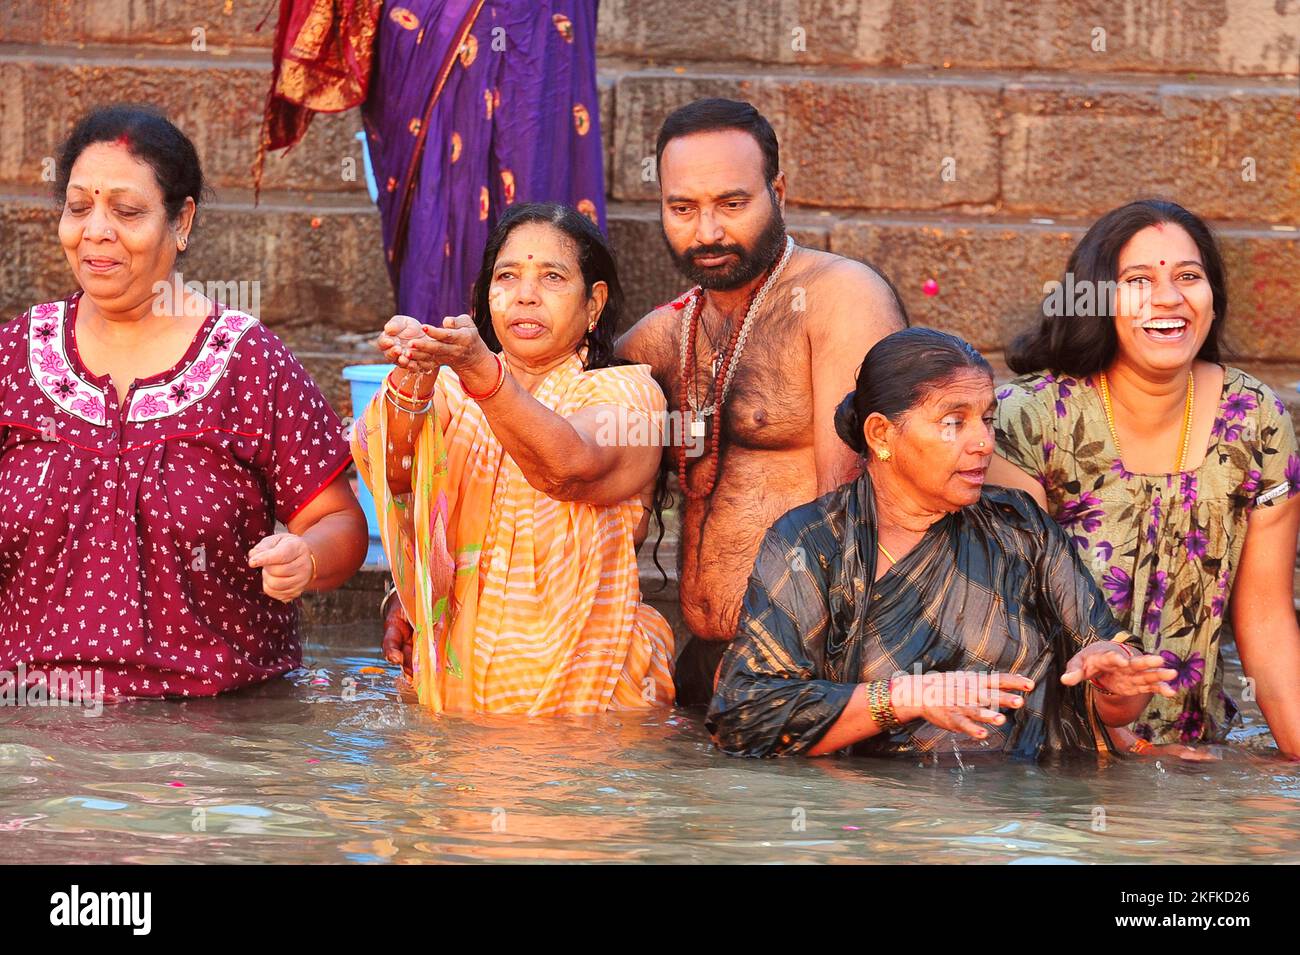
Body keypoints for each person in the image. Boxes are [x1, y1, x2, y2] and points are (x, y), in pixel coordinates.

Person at [0, 106, 367, 698]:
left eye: (126, 211)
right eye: (77, 207)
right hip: (29, 729)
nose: (95, 231)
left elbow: (340, 524)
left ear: (182, 220)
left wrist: (306, 557)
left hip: (212, 739)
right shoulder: (13, 355)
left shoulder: (249, 361)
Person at [707, 328, 1178, 758]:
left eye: (988, 419)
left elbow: (1114, 707)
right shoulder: (812, 543)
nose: (983, 443)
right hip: (879, 824)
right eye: (954, 422)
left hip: (1032, 820)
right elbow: (745, 717)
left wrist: (1115, 682)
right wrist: (906, 697)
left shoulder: (1019, 526)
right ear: (881, 434)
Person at [616, 98, 907, 704]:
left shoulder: (839, 298)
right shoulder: (659, 338)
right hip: (704, 659)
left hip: (812, 664)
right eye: (682, 208)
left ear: (778, 191)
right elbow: (550, 449)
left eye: (732, 203)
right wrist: (428, 593)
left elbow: (856, 502)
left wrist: (787, 664)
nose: (708, 232)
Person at [989, 199, 1300, 758]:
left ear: (1212, 299)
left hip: (1192, 750)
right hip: (1047, 752)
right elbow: (1017, 620)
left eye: (1189, 276)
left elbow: (1267, 619)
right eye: (1138, 280)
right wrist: (1126, 747)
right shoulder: (1028, 419)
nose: (1168, 297)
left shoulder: (1255, 417)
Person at [354, 202, 674, 714]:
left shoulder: (627, 395)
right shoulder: (453, 390)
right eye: (508, 276)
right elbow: (393, 473)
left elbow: (569, 468)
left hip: (589, 704)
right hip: (450, 699)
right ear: (486, 295)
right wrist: (414, 376)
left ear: (594, 304)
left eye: (552, 277)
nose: (526, 295)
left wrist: (482, 371)